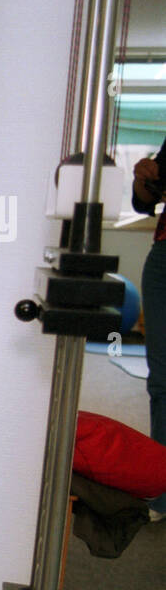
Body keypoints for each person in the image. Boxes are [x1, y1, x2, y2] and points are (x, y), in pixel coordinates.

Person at [132, 137, 166, 522]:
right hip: (164, 257)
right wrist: (145, 178)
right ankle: (162, 491)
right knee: (162, 380)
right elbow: (144, 203)